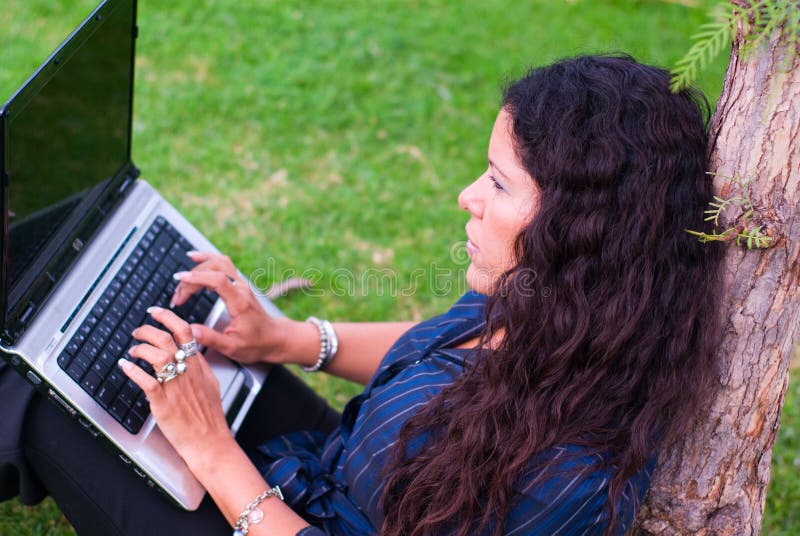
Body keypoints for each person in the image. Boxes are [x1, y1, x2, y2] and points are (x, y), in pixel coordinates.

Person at [0, 54, 724, 535]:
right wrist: (286, 339)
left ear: (584, 229)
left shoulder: (570, 482)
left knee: (39, 401)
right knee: (117, 330)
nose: (466, 196)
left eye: (499, 184)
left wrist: (213, 453)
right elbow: (434, 352)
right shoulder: (565, 307)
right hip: (333, 467)